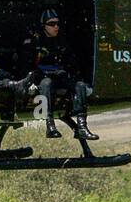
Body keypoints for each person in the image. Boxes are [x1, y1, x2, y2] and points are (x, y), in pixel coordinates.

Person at [21, 8, 96, 140]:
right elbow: (26, 64)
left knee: (80, 85)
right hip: (42, 77)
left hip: (59, 75)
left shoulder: (62, 39)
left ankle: (82, 127)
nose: (56, 27)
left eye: (57, 23)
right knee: (46, 84)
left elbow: (70, 61)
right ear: (43, 26)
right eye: (51, 24)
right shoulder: (34, 41)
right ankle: (50, 125)